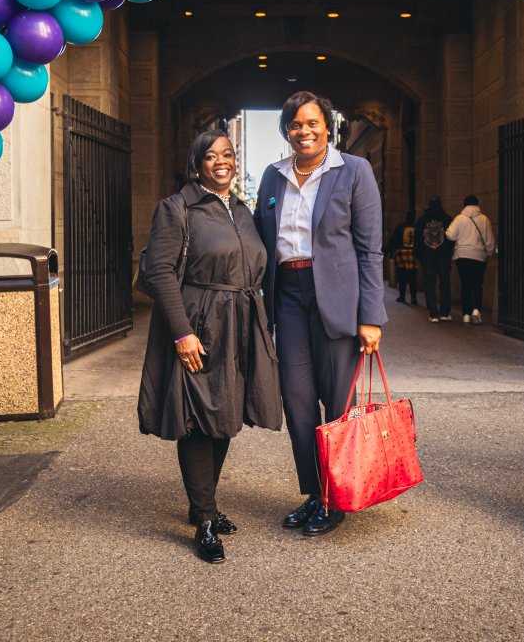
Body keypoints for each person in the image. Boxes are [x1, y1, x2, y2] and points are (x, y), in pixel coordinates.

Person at [138, 129, 281, 564]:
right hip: (199, 322)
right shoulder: (178, 208)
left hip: (240, 323)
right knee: (199, 418)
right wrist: (182, 333)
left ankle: (205, 503)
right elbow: (159, 272)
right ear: (197, 163)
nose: (223, 161)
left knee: (225, 412)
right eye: (212, 155)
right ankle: (202, 519)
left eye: (229, 154)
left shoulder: (243, 210)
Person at [254, 90, 386, 537]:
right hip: (287, 295)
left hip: (337, 299)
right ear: (286, 130)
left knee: (337, 400)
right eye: (295, 124)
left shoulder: (353, 171)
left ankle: (336, 496)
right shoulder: (273, 178)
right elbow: (260, 239)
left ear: (328, 126)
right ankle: (314, 492)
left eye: (312, 123)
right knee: (297, 397)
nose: (304, 131)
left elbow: (370, 249)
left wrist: (371, 316)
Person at [446, 194, 496, 325]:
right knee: (478, 285)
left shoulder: (459, 218)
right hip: (478, 256)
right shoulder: (484, 219)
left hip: (462, 256)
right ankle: (476, 310)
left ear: (464, 204)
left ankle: (466, 314)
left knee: (466, 285)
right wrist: (489, 253)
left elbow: (450, 235)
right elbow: (490, 240)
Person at [414, 196, 454, 322]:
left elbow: (417, 239)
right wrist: (449, 251)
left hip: (427, 256)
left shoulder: (422, 220)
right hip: (443, 256)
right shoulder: (447, 219)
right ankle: (444, 312)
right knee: (445, 284)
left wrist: (418, 255)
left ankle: (433, 313)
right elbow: (452, 237)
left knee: (429, 285)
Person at [385, 210, 419, 305]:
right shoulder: (417, 227)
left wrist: (387, 251)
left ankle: (402, 296)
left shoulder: (400, 227)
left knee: (402, 277)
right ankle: (413, 298)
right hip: (413, 254)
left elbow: (393, 240)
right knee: (413, 277)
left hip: (401, 254)